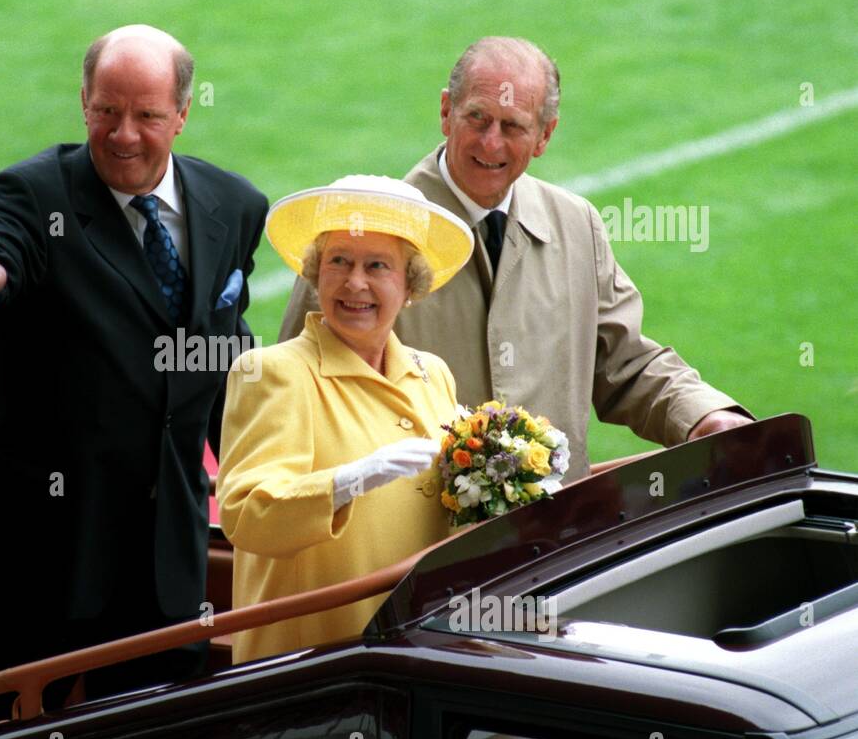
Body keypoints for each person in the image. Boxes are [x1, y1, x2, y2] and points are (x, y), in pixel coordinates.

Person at [0, 25, 268, 722]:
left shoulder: (234, 206)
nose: (123, 135)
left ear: (182, 112)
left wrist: (268, 470)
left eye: (146, 116)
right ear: (83, 101)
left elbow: (222, 363)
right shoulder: (30, 196)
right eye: (105, 111)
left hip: (164, 561)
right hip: (38, 559)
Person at [278, 37, 751, 480]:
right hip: (413, 552)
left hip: (553, 545)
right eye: (477, 119)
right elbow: (301, 388)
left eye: (513, 127)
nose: (490, 144)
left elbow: (623, 361)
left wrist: (703, 415)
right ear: (446, 112)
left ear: (544, 136)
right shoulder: (364, 226)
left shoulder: (576, 225)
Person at [217, 175, 473, 664]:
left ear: (410, 285)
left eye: (377, 266)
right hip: (313, 663)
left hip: (418, 653)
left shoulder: (432, 373)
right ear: (316, 274)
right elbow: (247, 516)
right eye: (338, 262)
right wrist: (348, 482)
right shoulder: (272, 372)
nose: (355, 283)